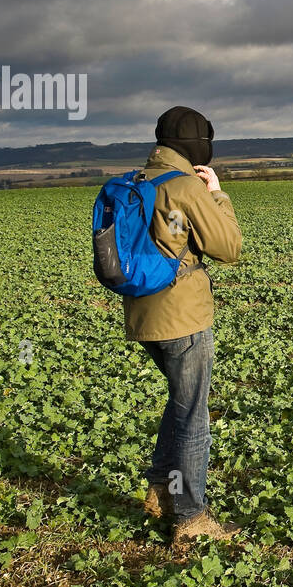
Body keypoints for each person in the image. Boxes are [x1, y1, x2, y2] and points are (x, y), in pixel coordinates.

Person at [127, 106, 242, 543]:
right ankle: (191, 518)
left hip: (143, 316)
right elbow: (229, 247)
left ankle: (159, 491)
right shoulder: (185, 187)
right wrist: (216, 193)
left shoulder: (139, 181)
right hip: (183, 318)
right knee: (194, 416)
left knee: (180, 402)